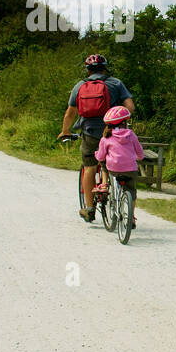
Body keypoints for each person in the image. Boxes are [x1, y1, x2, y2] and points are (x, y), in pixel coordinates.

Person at [60, 54, 134, 222]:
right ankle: (115, 193)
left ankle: (89, 208)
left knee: (90, 168)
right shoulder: (115, 83)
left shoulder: (79, 86)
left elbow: (70, 113)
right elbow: (130, 107)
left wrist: (65, 130)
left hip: (89, 132)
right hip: (113, 132)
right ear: (105, 68)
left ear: (87, 70)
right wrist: (120, 122)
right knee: (112, 163)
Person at [94, 105, 144, 229]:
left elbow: (100, 157)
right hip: (131, 169)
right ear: (125, 122)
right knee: (131, 191)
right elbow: (140, 153)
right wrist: (137, 157)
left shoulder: (106, 138)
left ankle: (105, 184)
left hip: (113, 169)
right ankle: (131, 217)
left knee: (103, 163)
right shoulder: (131, 135)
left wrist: (97, 154)